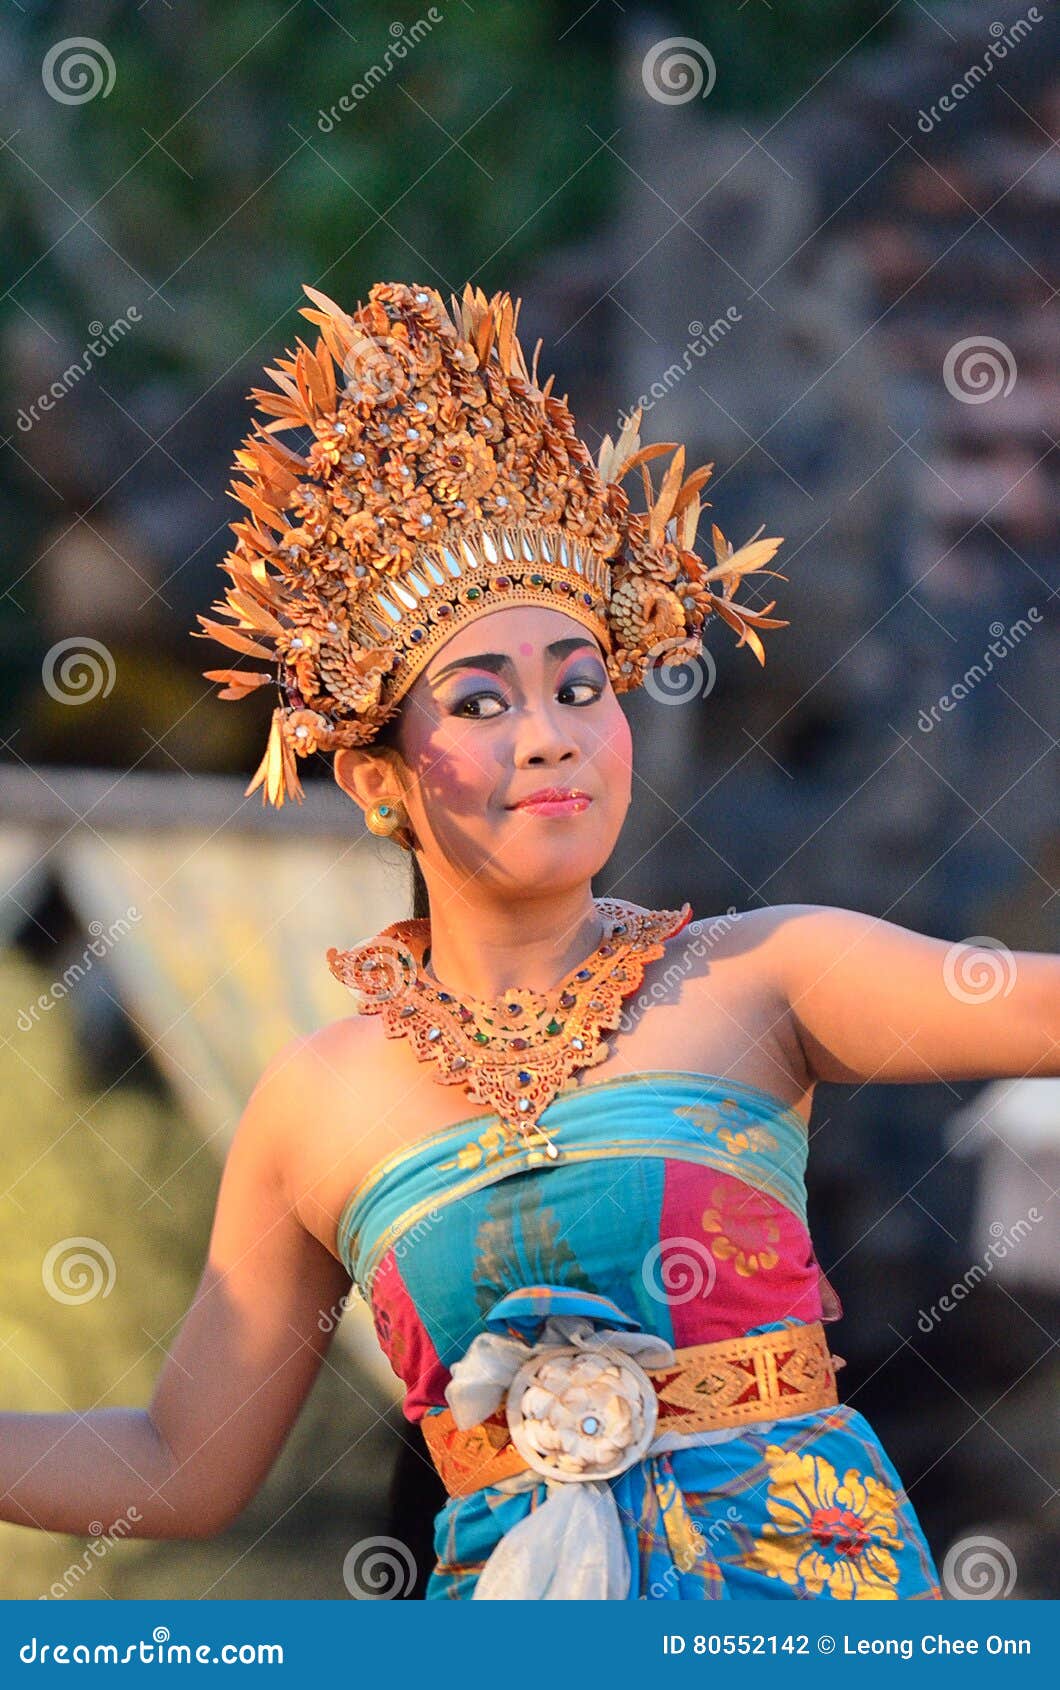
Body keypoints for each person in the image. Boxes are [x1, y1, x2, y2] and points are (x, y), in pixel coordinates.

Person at [4, 281, 1056, 1601]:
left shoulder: (762, 977)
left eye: (581, 684)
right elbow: (181, 1462)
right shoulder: (318, 1105)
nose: (551, 731)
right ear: (380, 783)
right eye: (483, 700)